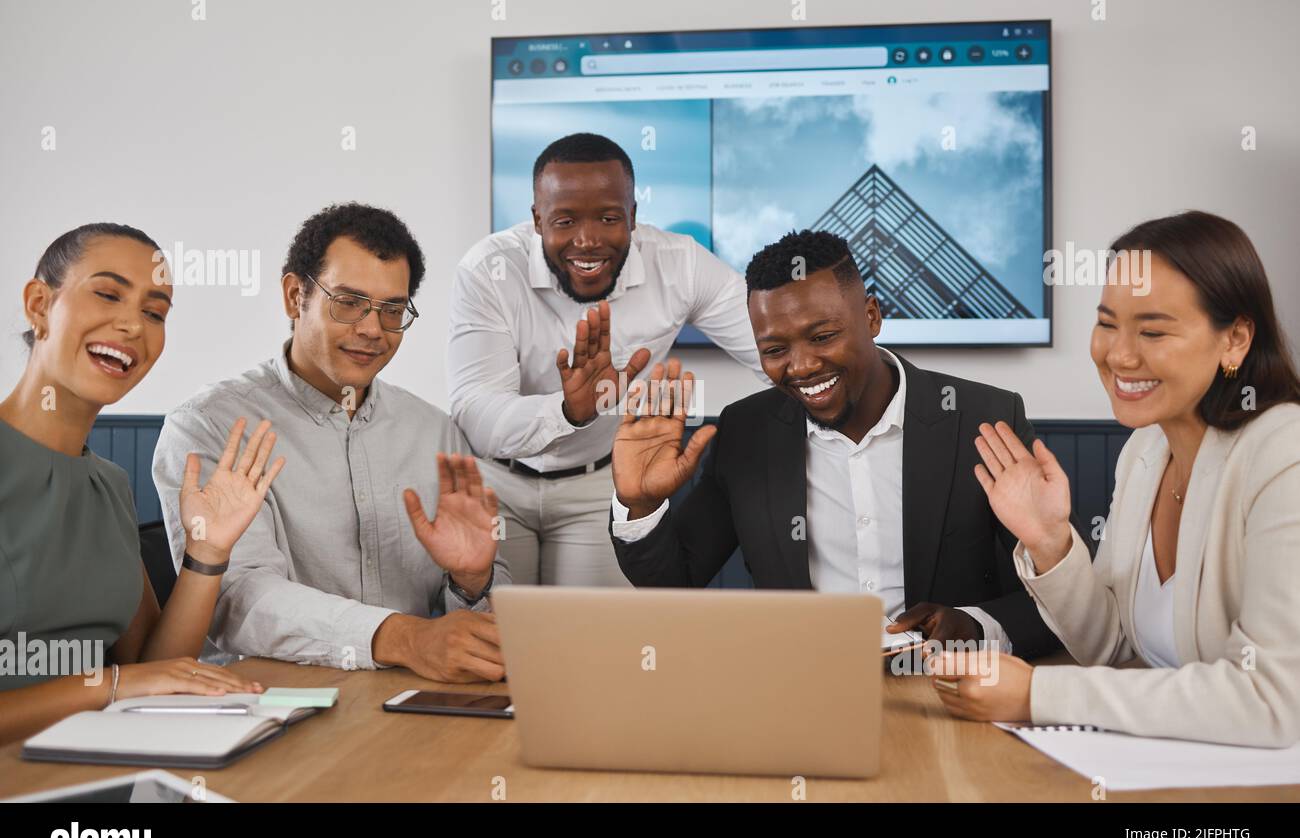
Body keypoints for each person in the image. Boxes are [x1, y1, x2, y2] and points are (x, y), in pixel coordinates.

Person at [931, 211, 1300, 746]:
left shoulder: (1282, 452)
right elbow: (1113, 648)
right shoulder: (1146, 449)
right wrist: (1050, 542)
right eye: (1107, 323)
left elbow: (1273, 700)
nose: (1119, 355)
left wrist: (1039, 696)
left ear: (1235, 339)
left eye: (1153, 330)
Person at [609, 230, 1062, 658]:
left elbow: (1068, 592)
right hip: (803, 694)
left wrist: (976, 625)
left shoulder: (982, 420)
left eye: (823, 337)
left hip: (950, 691)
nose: (802, 366)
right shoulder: (746, 432)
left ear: (871, 316)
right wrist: (639, 503)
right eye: (774, 350)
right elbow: (675, 580)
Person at [153, 203, 510, 684]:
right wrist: (404, 638)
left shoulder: (436, 432)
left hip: (422, 698)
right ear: (294, 295)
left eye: (392, 310)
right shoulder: (209, 426)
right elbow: (238, 596)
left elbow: (475, 621)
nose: (371, 329)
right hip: (272, 700)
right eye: (348, 302)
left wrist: (471, 581)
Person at [1, 223, 281, 745]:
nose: (133, 324)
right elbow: (129, 681)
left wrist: (207, 551)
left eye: (155, 312)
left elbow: (154, 669)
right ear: (39, 305)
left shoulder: (107, 484)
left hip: (93, 769)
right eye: (108, 294)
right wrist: (108, 685)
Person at [447, 132, 764, 587]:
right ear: (537, 220)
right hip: (499, 482)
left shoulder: (680, 265)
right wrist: (567, 411)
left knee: (595, 643)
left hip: (598, 484)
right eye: (565, 220)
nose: (588, 240)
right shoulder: (489, 270)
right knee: (500, 640)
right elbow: (475, 413)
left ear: (633, 216)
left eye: (609, 217)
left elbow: (776, 347)